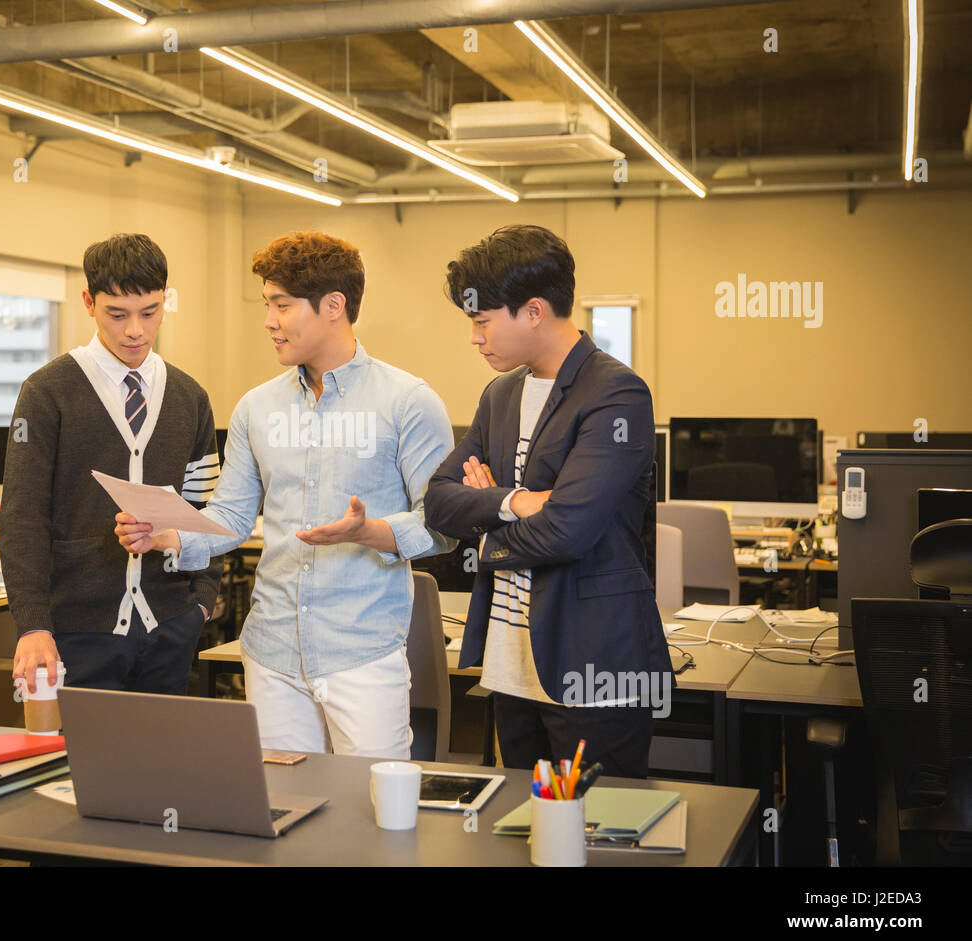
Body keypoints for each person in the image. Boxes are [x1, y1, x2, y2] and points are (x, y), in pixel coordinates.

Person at [115, 230, 454, 758]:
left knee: (375, 825)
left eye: (282, 305)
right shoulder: (256, 407)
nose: (269, 320)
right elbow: (230, 513)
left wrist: (374, 532)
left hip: (362, 654)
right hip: (271, 652)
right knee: (286, 815)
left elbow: (444, 524)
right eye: (267, 304)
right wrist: (169, 536)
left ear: (333, 307)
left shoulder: (408, 402)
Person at [423, 224, 671, 778]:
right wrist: (515, 501)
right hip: (513, 664)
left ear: (534, 311)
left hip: (595, 667)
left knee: (599, 838)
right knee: (524, 834)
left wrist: (485, 514)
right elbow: (438, 501)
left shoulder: (616, 394)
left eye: (482, 321)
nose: (474, 337)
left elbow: (567, 532)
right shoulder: (501, 393)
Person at [1, 233, 222, 697]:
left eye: (150, 312)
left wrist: (201, 604)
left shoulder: (190, 397)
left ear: (165, 301)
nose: (135, 331)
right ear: (88, 302)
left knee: (161, 766)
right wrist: (32, 624)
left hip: (169, 626)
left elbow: (209, 510)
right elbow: (22, 517)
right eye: (117, 314)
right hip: (76, 631)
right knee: (81, 767)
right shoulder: (47, 392)